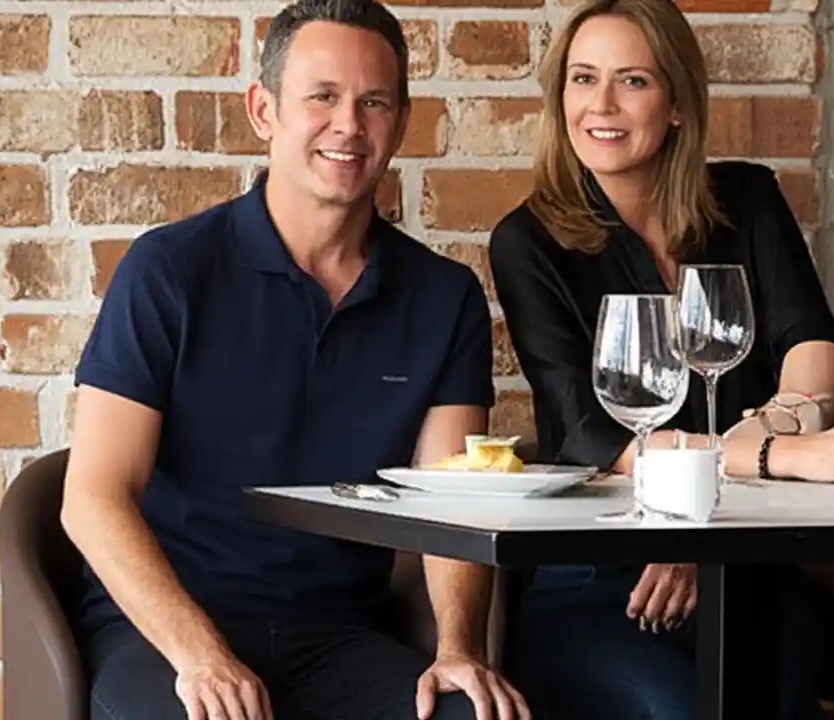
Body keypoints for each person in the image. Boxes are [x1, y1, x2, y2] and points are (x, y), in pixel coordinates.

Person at [61, 1, 531, 718]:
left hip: (341, 635)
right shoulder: (170, 270)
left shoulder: (444, 297)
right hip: (167, 634)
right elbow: (91, 499)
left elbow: (451, 507)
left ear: (401, 122)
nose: (349, 125)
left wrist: (458, 648)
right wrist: (201, 657)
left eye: (373, 101)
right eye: (323, 97)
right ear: (263, 110)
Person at [487, 0, 834, 718]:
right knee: (681, 708)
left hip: (744, 568)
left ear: (677, 102)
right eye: (583, 80)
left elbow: (815, 348)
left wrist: (751, 457)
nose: (602, 105)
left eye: (634, 82)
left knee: (773, 696)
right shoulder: (529, 242)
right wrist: (779, 457)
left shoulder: (745, 200)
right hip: (597, 578)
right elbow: (594, 433)